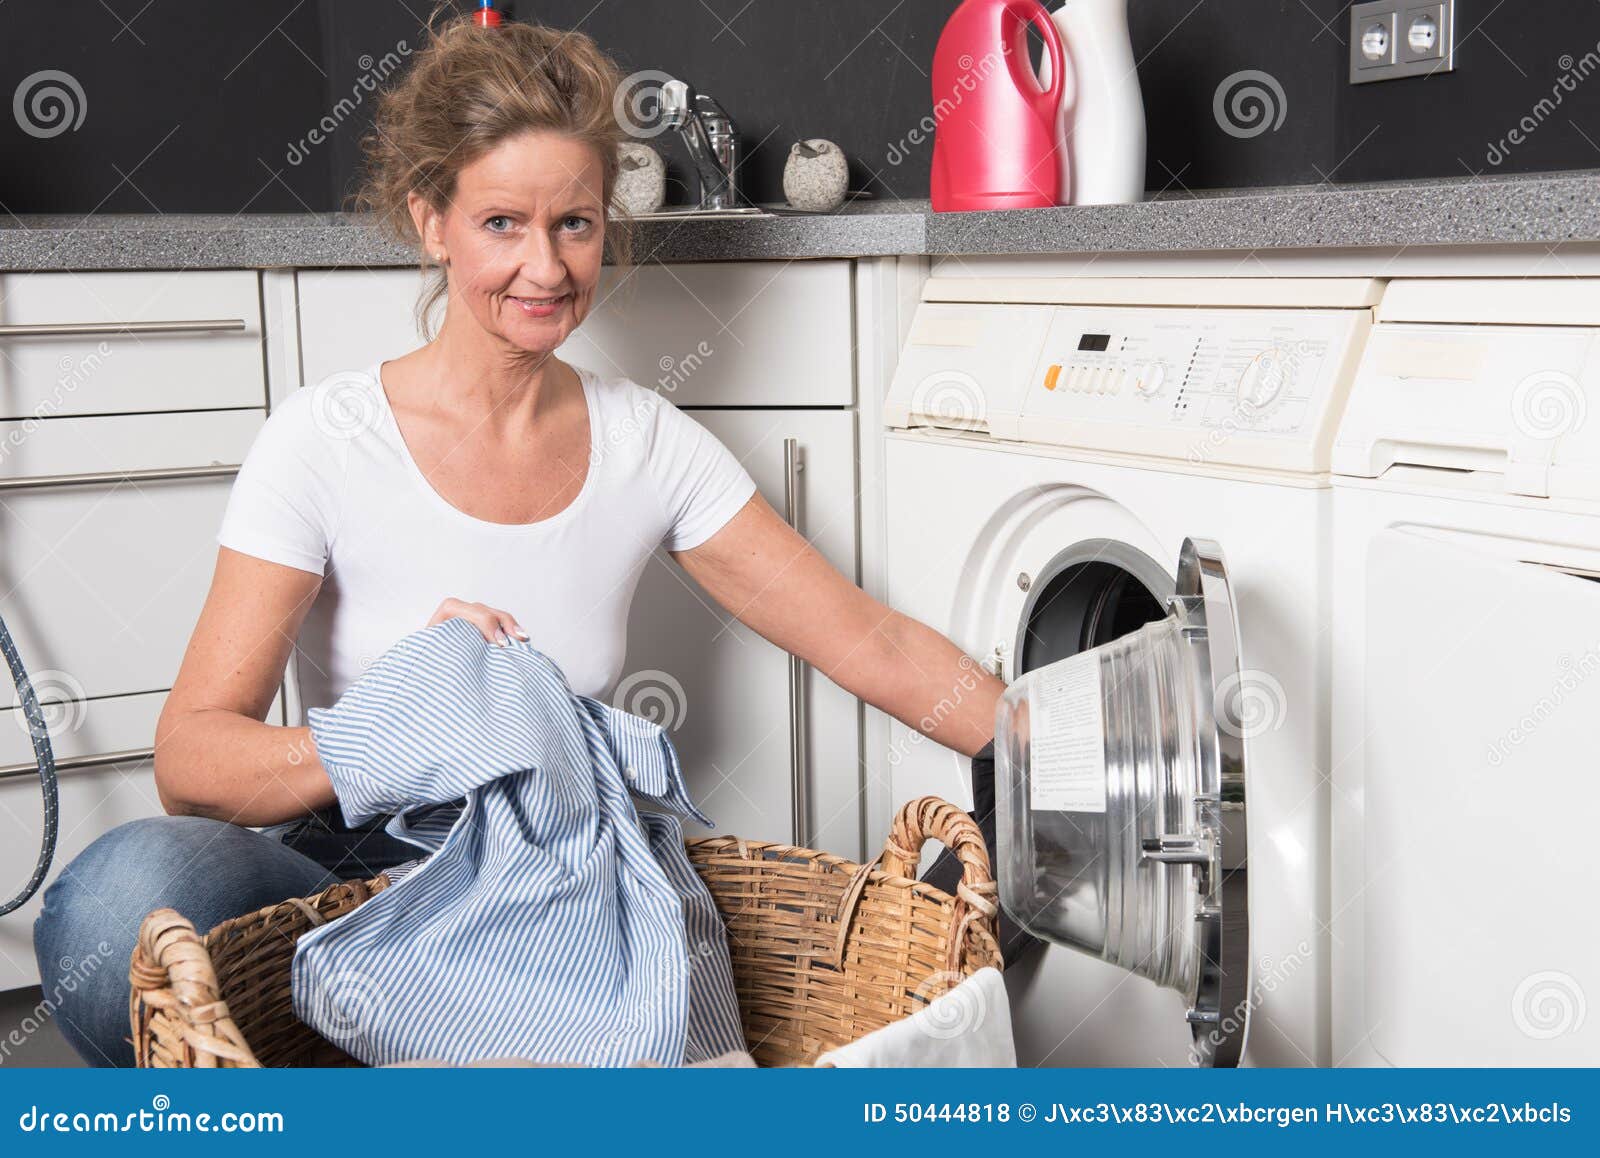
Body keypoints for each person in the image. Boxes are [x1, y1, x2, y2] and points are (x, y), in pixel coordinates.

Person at [32, 10, 1007, 1067]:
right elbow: (191, 760)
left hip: (560, 885)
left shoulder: (645, 440)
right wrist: (413, 719)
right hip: (355, 878)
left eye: (575, 224)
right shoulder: (325, 439)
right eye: (502, 223)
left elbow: (869, 641)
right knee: (112, 900)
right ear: (429, 221)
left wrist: (1059, 759)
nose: (545, 269)